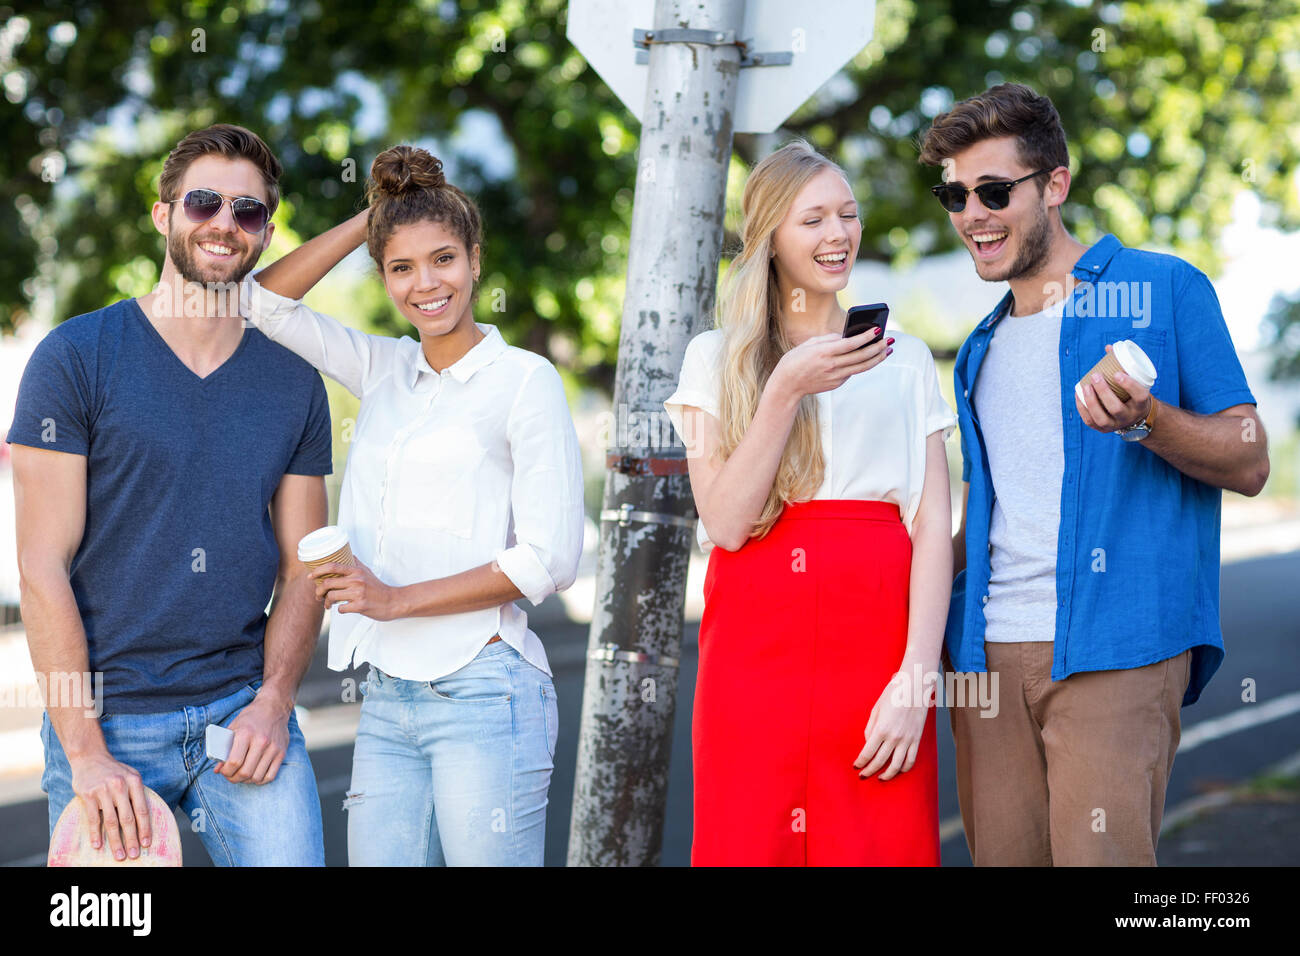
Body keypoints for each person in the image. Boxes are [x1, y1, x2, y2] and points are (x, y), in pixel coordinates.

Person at [922, 83, 1271, 866]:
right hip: (985, 659)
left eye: (992, 190)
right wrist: (898, 600)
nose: (971, 213)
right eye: (953, 194)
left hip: (1117, 649)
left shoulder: (1164, 288)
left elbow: (1250, 456)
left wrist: (1147, 418)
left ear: (1055, 184)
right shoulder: (978, 348)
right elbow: (987, 509)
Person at [240, 145, 584, 866]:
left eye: (444, 259)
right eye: (401, 266)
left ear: (475, 261)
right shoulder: (384, 368)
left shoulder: (524, 380)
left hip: (487, 692)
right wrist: (381, 210)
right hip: (389, 698)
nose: (426, 284)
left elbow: (550, 557)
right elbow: (258, 301)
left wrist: (395, 600)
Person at [8, 125, 332, 865]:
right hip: (108, 722)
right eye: (204, 202)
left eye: (247, 212)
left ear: (265, 234)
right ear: (164, 216)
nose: (225, 223)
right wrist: (85, 752)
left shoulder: (293, 382)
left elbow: (304, 565)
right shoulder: (77, 358)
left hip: (237, 714)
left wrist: (274, 703)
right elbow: (40, 568)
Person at [663, 140, 958, 866]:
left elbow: (931, 528)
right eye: (814, 219)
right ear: (769, 237)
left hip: (879, 653)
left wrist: (917, 680)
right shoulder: (713, 358)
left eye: (848, 215)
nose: (839, 234)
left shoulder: (906, 359)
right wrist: (785, 390)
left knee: (880, 845)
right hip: (754, 661)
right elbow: (726, 524)